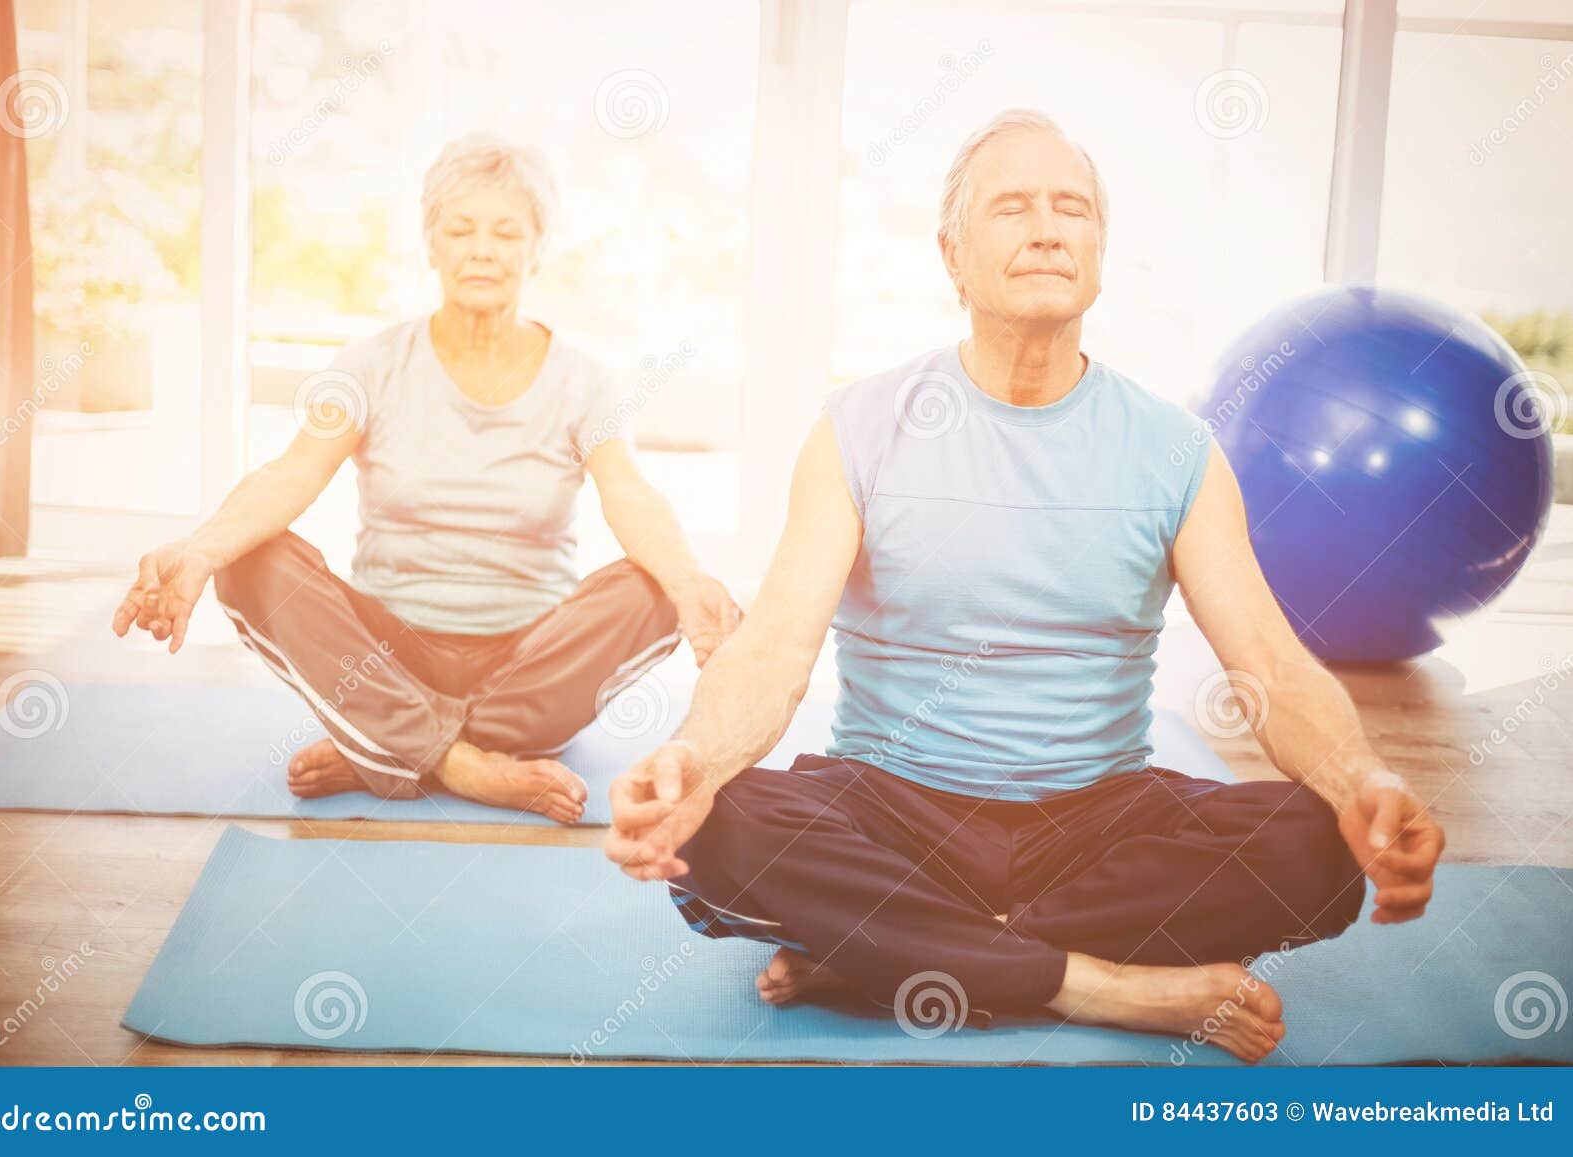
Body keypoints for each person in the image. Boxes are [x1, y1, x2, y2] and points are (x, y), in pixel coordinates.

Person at [604, 109, 1446, 1061]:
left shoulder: (1176, 449)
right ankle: (1099, 986)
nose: (1049, 227)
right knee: (723, 830)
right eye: (1013, 207)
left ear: (1097, 249)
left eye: (1071, 208)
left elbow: (1268, 663)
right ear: (952, 255)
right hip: (891, 807)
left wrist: (1359, 777)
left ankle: (896, 959)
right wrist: (692, 759)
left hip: (1101, 819)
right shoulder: (860, 426)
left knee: (1319, 844)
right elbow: (775, 649)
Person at [112, 136, 739, 823]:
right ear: (430, 244)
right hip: (386, 655)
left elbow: (630, 493)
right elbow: (294, 468)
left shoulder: (588, 381)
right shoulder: (369, 365)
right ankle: (464, 764)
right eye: (460, 228)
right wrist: (201, 550)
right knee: (249, 557)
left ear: (537, 247)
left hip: (529, 664)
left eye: (506, 231)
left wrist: (689, 582)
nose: (482, 249)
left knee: (653, 585)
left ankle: (382, 745)